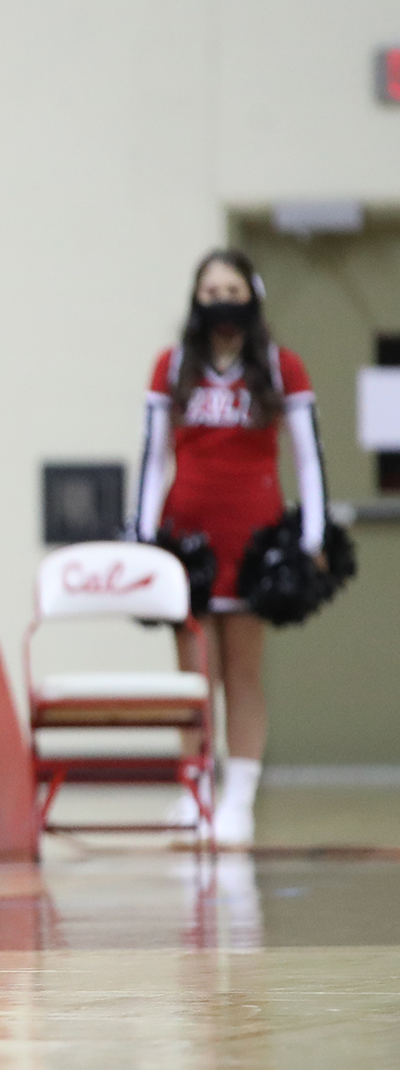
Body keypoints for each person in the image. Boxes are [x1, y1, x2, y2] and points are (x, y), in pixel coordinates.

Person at [134, 247, 327, 849]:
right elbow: (150, 456)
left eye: (233, 291)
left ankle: (238, 797)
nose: (222, 302)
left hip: (252, 536)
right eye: (211, 291)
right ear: (196, 298)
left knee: (243, 672)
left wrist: (313, 534)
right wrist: (143, 536)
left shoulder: (279, 365)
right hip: (188, 539)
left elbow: (308, 456)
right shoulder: (171, 368)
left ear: (253, 297)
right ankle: (196, 792)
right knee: (195, 677)